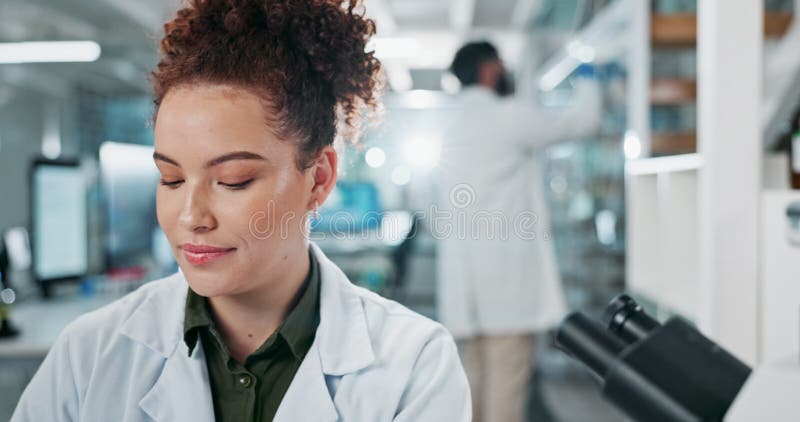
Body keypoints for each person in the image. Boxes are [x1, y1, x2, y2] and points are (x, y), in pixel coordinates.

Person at [12, 1, 470, 421]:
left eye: (233, 181)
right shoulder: (89, 355)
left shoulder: (414, 366)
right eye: (171, 179)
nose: (191, 215)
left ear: (319, 178)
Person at [436, 41, 601, 422]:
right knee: (505, 392)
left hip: (464, 289)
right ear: (488, 69)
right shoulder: (508, 116)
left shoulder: (450, 126)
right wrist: (591, 80)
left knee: (468, 391)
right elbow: (580, 123)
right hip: (506, 286)